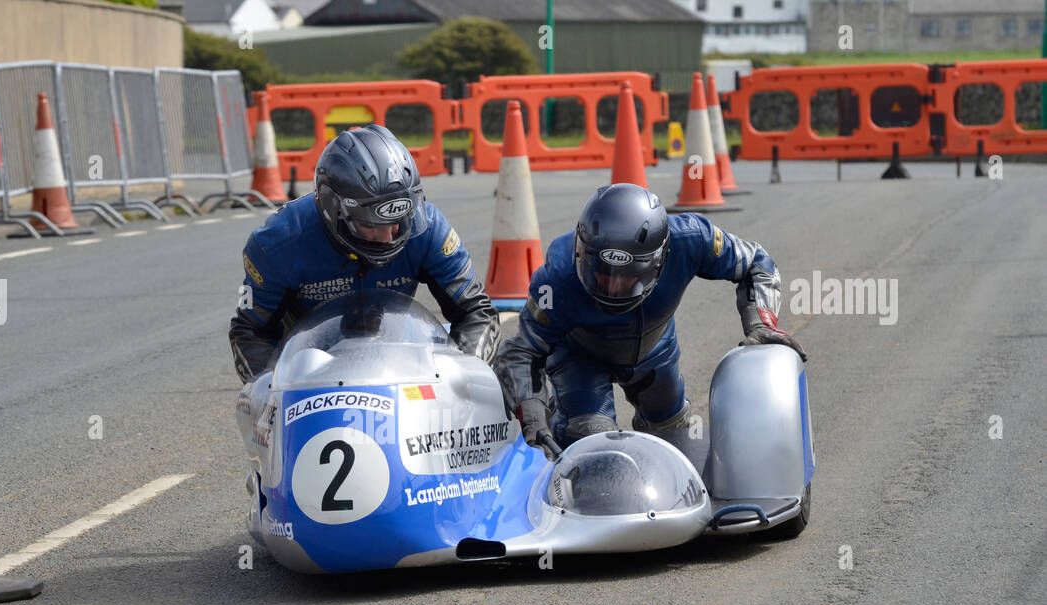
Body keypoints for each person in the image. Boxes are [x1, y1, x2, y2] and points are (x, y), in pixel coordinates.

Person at [494, 183, 806, 457]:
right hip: (578, 356)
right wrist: (532, 410)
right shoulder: (557, 276)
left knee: (672, 435)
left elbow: (756, 263)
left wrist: (760, 323)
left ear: (659, 260)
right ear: (582, 253)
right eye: (602, 275)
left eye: (627, 278)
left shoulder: (692, 238)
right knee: (592, 443)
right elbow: (523, 351)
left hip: (654, 349)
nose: (613, 287)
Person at [229, 124, 499, 382]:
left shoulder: (429, 229)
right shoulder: (276, 244)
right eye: (369, 225)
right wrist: (269, 386)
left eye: (397, 220)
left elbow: (476, 311)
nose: (387, 237)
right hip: (306, 370)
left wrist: (467, 373)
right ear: (332, 209)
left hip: (397, 359)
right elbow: (250, 330)